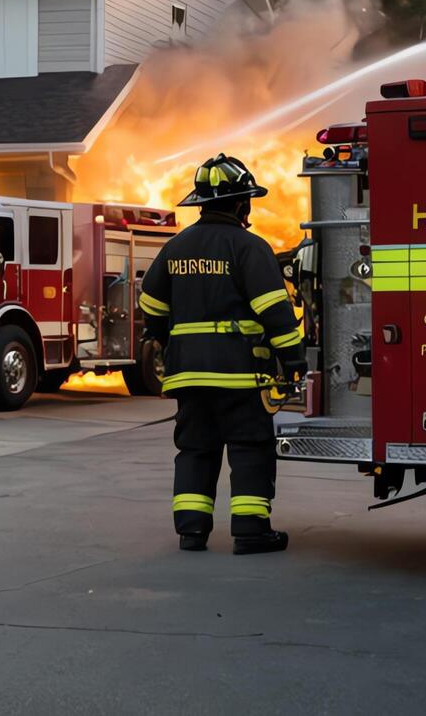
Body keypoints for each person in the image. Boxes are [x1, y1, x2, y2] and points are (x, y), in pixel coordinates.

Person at [139, 154, 305, 554]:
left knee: (196, 449)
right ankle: (250, 532)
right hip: (240, 375)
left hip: (188, 375)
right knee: (249, 447)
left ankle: (191, 532)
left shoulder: (175, 248)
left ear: (202, 203)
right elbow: (274, 311)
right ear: (240, 204)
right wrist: (294, 361)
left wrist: (167, 338)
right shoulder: (250, 248)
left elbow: (151, 304)